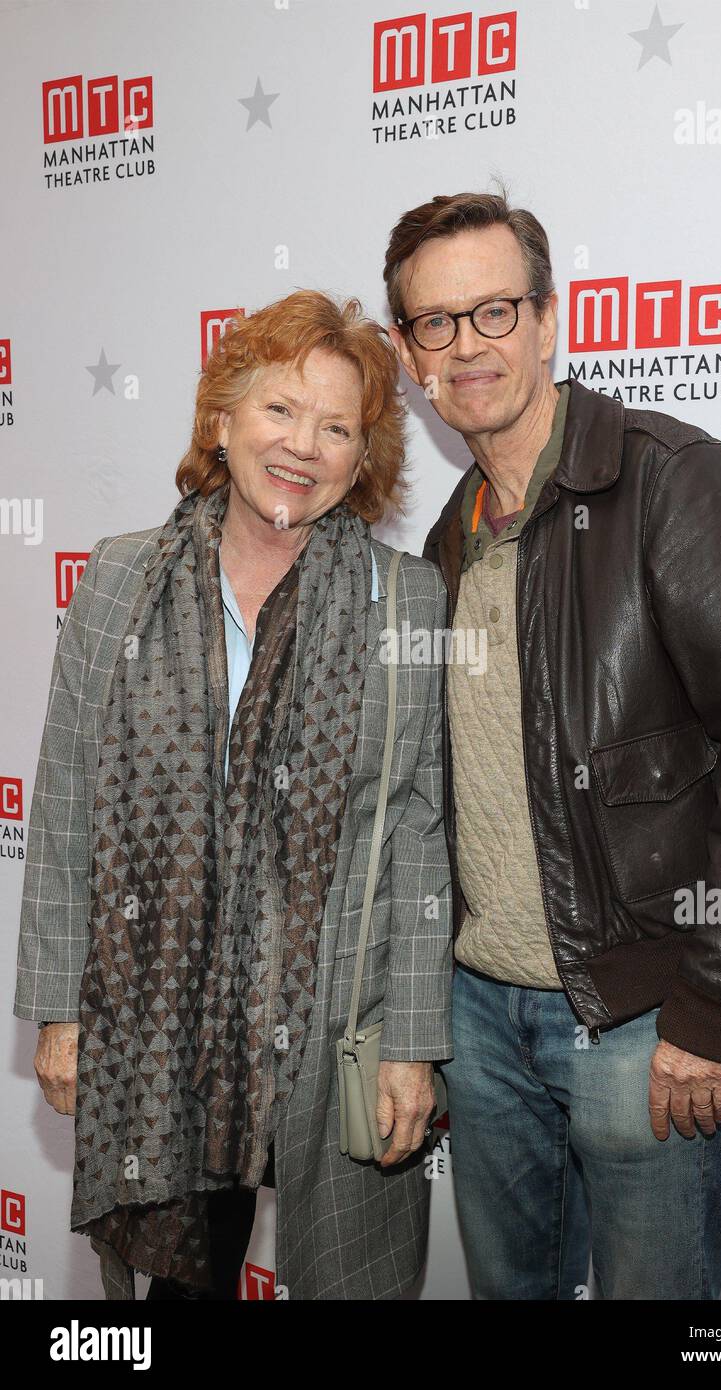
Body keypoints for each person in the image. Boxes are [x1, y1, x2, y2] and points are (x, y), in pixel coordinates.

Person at [383, 188, 721, 1300]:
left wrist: (708, 1004)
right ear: (407, 356)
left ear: (547, 319)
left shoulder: (663, 478)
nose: (467, 346)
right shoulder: (444, 541)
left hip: (641, 1020)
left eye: (493, 311)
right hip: (477, 1020)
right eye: (435, 324)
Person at [14, 290, 453, 1301]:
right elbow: (68, 798)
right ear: (222, 420)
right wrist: (58, 1008)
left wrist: (414, 1042)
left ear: (363, 456)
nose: (303, 446)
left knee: (340, 1277)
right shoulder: (120, 580)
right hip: (157, 1021)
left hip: (329, 1016)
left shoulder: (407, 597)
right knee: (175, 1286)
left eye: (336, 426)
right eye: (279, 411)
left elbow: (420, 837)